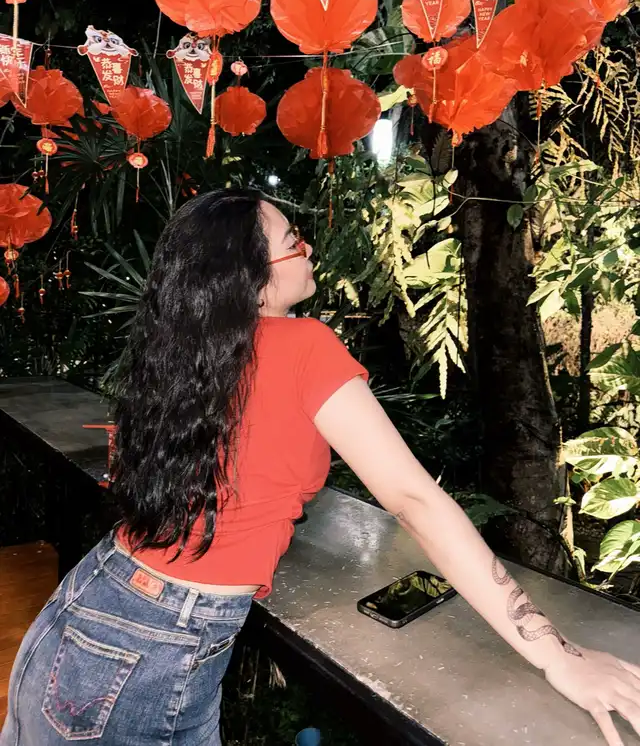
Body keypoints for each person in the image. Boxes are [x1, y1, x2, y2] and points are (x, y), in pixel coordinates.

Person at [2, 188, 639, 746]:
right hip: (149, 651)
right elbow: (414, 500)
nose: (307, 248)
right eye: (292, 241)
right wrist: (556, 655)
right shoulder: (304, 344)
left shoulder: (189, 354)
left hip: (91, 607)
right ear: (251, 277)